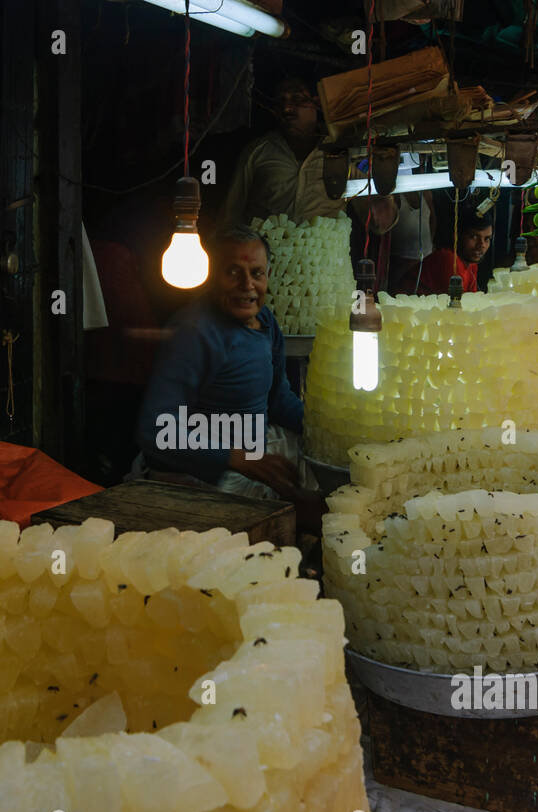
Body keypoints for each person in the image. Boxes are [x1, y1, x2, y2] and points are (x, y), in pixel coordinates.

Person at [134, 225, 320, 521]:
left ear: (268, 276)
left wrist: (325, 430)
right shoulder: (195, 332)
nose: (247, 285)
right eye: (233, 272)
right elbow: (155, 429)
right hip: (194, 482)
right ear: (210, 276)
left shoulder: (265, 322)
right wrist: (236, 458)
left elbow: (278, 400)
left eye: (256, 274)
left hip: (246, 468)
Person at [223, 76, 397, 234]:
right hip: (267, 263)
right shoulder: (257, 152)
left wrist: (383, 206)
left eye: (297, 99)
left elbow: (378, 222)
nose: (287, 107)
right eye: (281, 101)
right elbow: (231, 215)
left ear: (316, 103)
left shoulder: (340, 150)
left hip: (321, 264)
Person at [410, 206, 493, 295]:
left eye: (487, 239)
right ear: (457, 235)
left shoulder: (471, 262)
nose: (482, 245)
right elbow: (457, 305)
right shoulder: (448, 260)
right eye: (474, 237)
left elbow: (471, 300)